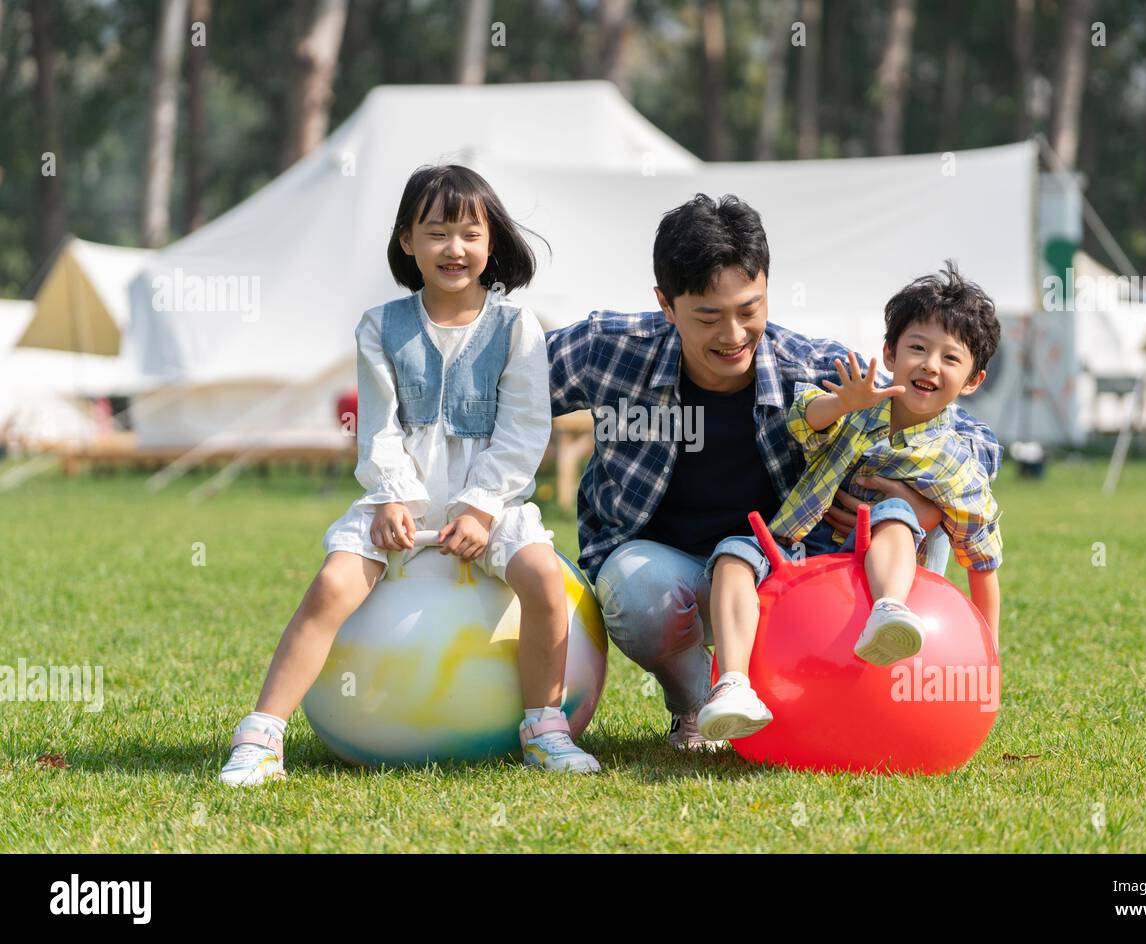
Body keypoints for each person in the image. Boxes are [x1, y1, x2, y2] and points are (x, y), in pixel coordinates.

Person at [546, 196, 1002, 751]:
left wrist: (920, 499)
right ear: (666, 305)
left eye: (749, 308)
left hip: (791, 573)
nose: (734, 334)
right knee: (635, 591)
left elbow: (964, 431)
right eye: (708, 316)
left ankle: (869, 695)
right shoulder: (611, 350)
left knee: (906, 525)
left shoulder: (810, 364)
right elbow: (506, 387)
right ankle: (702, 706)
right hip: (676, 578)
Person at [218, 164, 600, 785]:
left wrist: (480, 507)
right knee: (332, 586)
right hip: (398, 504)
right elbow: (379, 429)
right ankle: (262, 733)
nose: (455, 249)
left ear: (491, 242)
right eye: (437, 232)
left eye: (470, 234)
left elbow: (524, 430)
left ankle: (543, 726)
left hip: (491, 506)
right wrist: (394, 498)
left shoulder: (516, 329)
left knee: (542, 579)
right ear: (407, 241)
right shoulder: (381, 327)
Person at [697, 261, 1004, 741]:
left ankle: (887, 610)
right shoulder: (861, 407)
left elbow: (982, 557)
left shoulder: (954, 460)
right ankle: (734, 683)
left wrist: (988, 651)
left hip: (877, 575)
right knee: (733, 556)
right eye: (917, 349)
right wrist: (841, 402)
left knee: (897, 513)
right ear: (889, 352)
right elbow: (804, 421)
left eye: (950, 358)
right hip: (798, 550)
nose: (929, 365)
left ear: (972, 380)